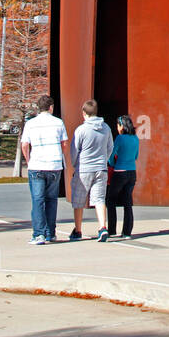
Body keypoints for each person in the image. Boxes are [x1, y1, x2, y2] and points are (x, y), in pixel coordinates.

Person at [21, 94, 68, 246]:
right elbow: (65, 143)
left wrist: (29, 160)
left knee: (38, 200)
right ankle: (50, 233)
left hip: (37, 165)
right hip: (54, 165)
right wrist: (60, 155)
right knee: (51, 200)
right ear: (51, 107)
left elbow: (24, 145)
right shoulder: (58, 122)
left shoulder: (30, 124)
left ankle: (38, 234)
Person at [69, 99, 114, 242]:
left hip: (84, 169)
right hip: (101, 168)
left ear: (84, 113)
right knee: (99, 199)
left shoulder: (81, 130)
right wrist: (104, 160)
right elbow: (110, 147)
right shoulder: (106, 128)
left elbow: (74, 150)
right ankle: (102, 227)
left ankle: (78, 230)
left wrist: (75, 164)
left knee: (79, 200)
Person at [106, 114, 140, 238]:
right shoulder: (135, 138)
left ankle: (112, 230)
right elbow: (136, 156)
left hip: (120, 171)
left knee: (111, 200)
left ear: (121, 126)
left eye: (118, 124)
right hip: (132, 172)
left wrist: (113, 163)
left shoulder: (120, 138)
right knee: (127, 202)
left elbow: (112, 154)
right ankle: (127, 232)